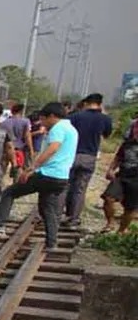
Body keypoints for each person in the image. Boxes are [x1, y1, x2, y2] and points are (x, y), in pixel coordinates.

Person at [0, 102, 79, 248]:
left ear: (52, 116)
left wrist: (31, 168)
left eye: (44, 119)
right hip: (61, 177)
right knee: (47, 208)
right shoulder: (71, 129)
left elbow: (53, 148)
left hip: (47, 173)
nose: (43, 123)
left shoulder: (58, 128)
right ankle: (51, 243)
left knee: (9, 193)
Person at [64, 93, 113, 229]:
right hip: (89, 157)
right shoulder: (105, 119)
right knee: (80, 189)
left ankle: (57, 216)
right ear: (100, 104)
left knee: (65, 186)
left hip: (70, 155)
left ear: (86, 103)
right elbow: (107, 135)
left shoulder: (74, 116)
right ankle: (74, 220)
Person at [104, 127, 138, 234]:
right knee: (109, 197)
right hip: (122, 176)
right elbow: (118, 158)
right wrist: (111, 169)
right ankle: (110, 223)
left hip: (136, 179)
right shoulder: (127, 144)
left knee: (130, 208)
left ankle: (121, 230)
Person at [2, 103, 33, 169]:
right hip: (19, 148)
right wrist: (31, 149)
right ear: (21, 111)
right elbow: (27, 136)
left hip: (6, 149)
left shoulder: (5, 122)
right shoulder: (25, 121)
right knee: (18, 169)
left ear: (12, 111)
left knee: (3, 168)